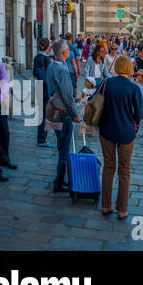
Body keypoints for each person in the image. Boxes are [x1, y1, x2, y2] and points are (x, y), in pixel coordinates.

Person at [97, 56, 143, 218]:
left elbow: (94, 101)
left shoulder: (106, 83)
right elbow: (139, 114)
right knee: (124, 170)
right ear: (129, 68)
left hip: (106, 130)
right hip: (126, 132)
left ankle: (105, 205)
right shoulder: (133, 88)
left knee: (108, 167)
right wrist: (134, 124)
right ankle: (122, 209)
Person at [46, 40, 82, 194]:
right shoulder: (62, 69)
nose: (69, 50)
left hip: (53, 111)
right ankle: (59, 182)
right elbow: (68, 96)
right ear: (64, 52)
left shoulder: (52, 66)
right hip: (62, 113)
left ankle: (61, 179)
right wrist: (75, 114)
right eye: (68, 48)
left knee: (61, 146)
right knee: (64, 149)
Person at [32, 37, 53, 147]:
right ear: (47, 47)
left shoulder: (36, 57)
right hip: (45, 87)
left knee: (41, 113)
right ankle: (42, 139)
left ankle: (40, 138)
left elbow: (34, 73)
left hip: (38, 85)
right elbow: (51, 74)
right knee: (46, 114)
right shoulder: (46, 59)